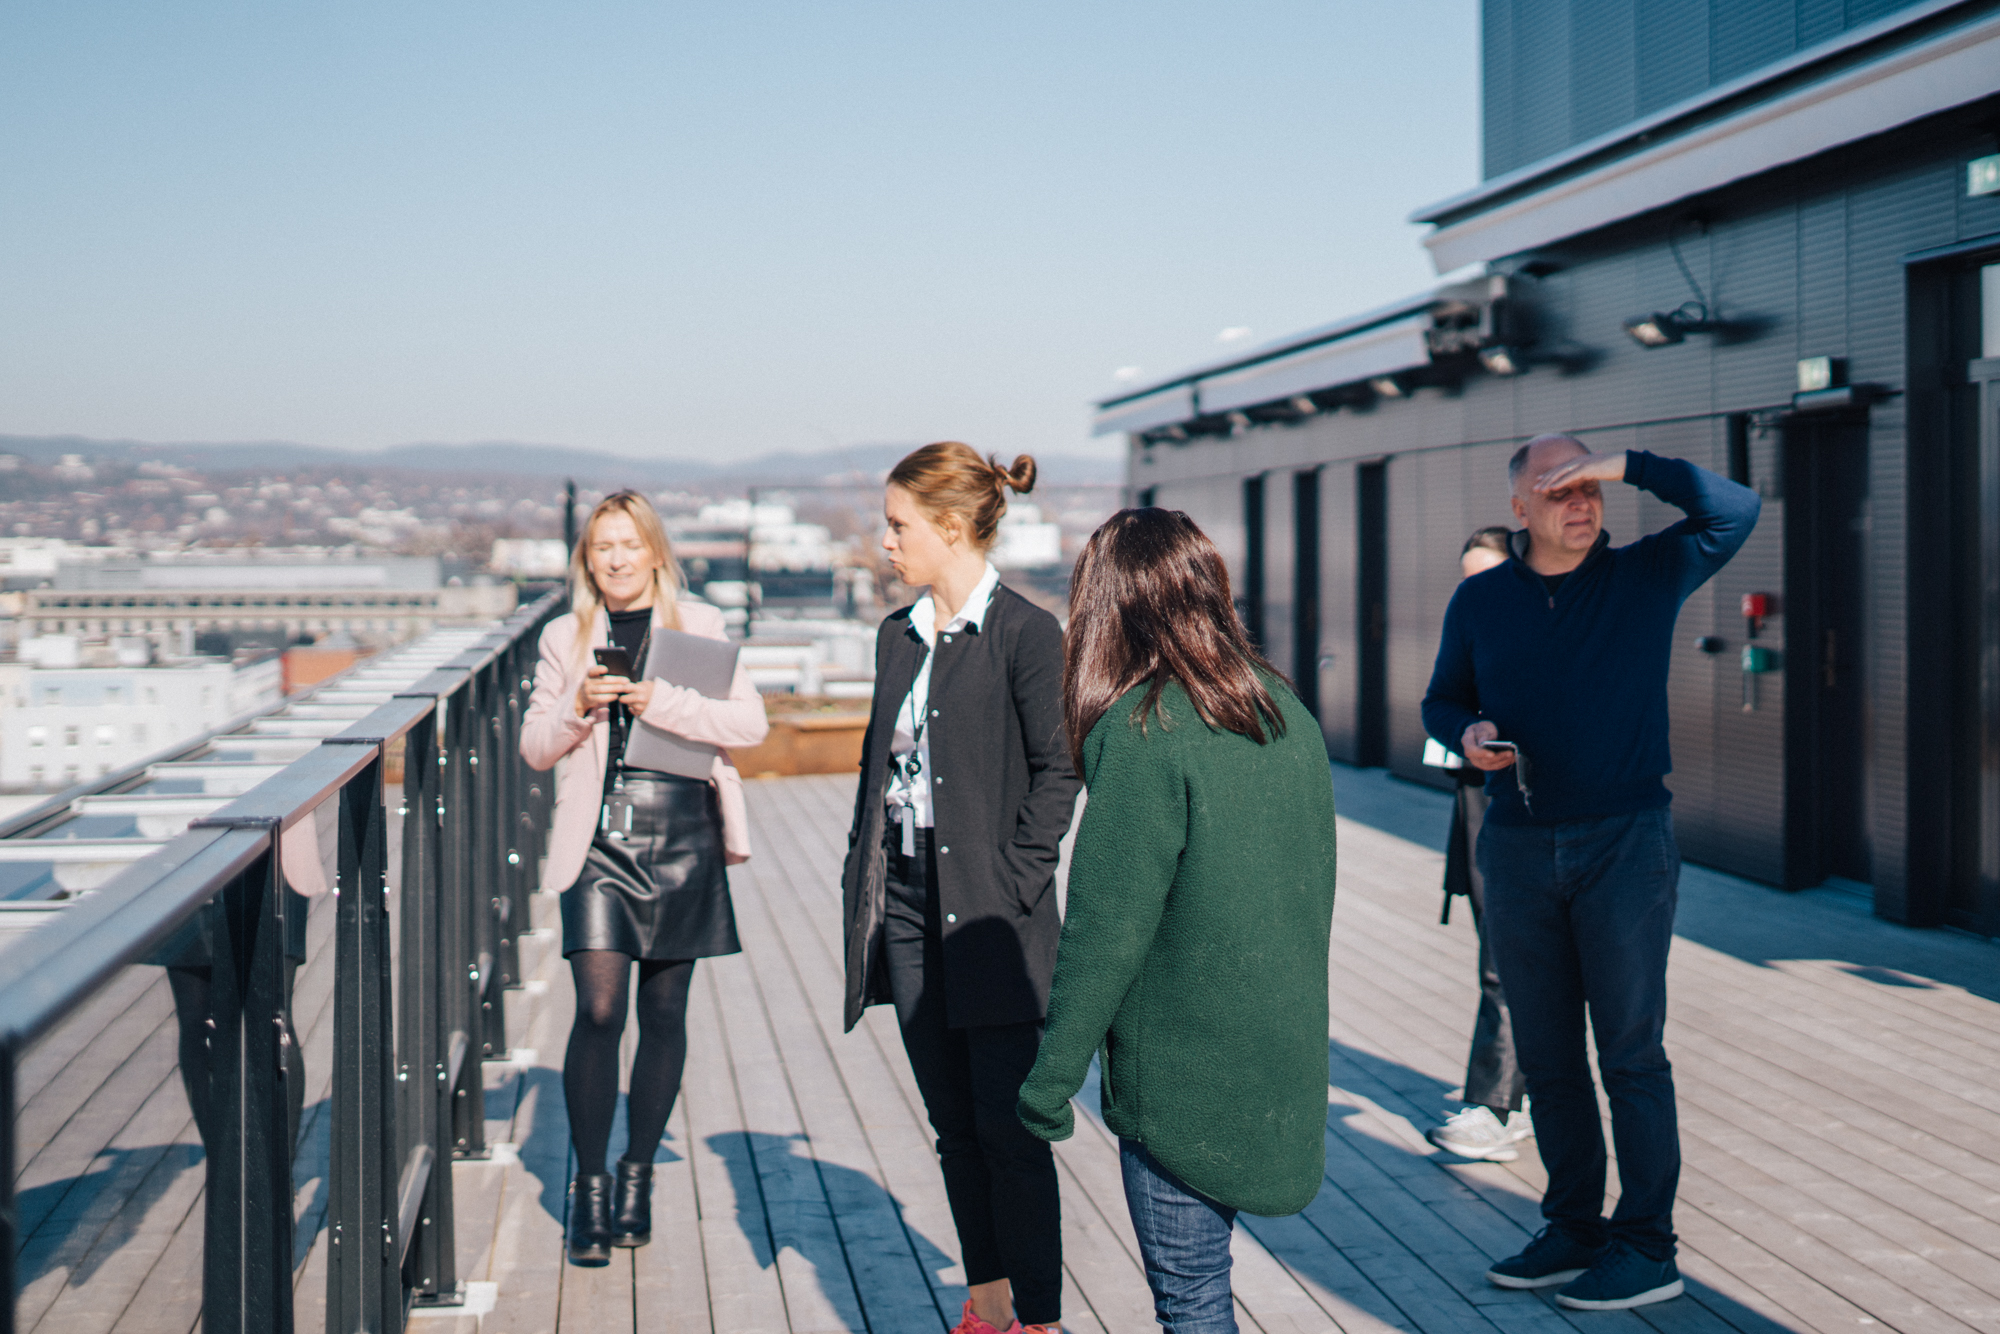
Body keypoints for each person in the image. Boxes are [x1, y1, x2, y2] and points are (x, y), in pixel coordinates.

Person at [1422, 436, 1758, 1311]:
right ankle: (1573, 1226)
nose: (1580, 502)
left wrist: (1625, 464)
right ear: (1519, 510)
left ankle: (1647, 1246)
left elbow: (1736, 508)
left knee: (1630, 1054)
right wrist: (1466, 734)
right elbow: (1443, 697)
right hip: (1517, 843)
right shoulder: (1482, 599)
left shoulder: (1647, 573)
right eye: (1558, 490)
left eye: (1590, 488)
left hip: (1625, 842)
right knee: (1547, 1053)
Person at [1018, 508, 1339, 1334]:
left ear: (1107, 607)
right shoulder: (1282, 710)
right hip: (1280, 1055)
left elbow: (1103, 936)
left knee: (1192, 1300)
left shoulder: (1144, 731)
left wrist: (1050, 1084)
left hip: (1181, 1081)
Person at [841, 442, 1080, 1334]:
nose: (886, 541)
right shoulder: (895, 635)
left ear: (949, 526)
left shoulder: (1026, 633)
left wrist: (1014, 880)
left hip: (991, 917)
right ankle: (987, 1306)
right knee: (953, 1127)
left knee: (1009, 1133)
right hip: (906, 903)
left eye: (897, 525)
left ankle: (1040, 1321)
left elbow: (1060, 771)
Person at [521, 489, 769, 1266]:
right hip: (599, 837)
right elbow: (534, 747)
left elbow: (749, 724)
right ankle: (589, 1186)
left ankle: (637, 1174)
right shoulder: (565, 636)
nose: (617, 559)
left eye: (629, 544)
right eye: (603, 547)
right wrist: (577, 706)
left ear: (655, 551)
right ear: (587, 559)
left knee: (665, 1012)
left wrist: (663, 700)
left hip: (683, 829)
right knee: (599, 1009)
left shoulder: (700, 626)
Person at [1427, 526, 1533, 1164]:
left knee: (1505, 961)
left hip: (1525, 813)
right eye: (1466, 577)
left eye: (1485, 575)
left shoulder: (1535, 632)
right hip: (1475, 803)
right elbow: (1439, 705)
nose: (1472, 589)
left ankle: (1496, 1107)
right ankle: (1516, 1097)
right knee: (1502, 954)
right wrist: (1461, 729)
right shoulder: (1469, 630)